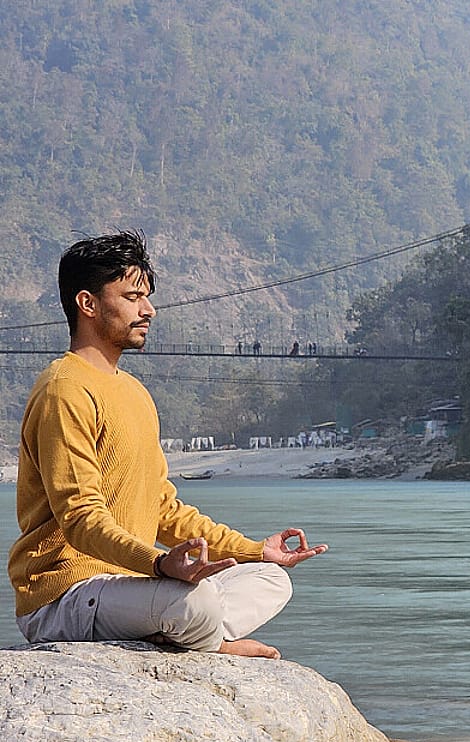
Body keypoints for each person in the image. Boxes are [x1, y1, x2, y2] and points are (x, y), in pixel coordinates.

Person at [8, 230, 327, 659]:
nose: (149, 309)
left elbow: (163, 508)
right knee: (195, 603)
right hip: (66, 594)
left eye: (147, 296)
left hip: (130, 588)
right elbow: (81, 518)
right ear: (88, 304)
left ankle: (179, 631)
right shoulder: (64, 390)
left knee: (270, 579)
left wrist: (255, 550)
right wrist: (159, 565)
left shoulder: (136, 394)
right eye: (133, 296)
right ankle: (210, 641)